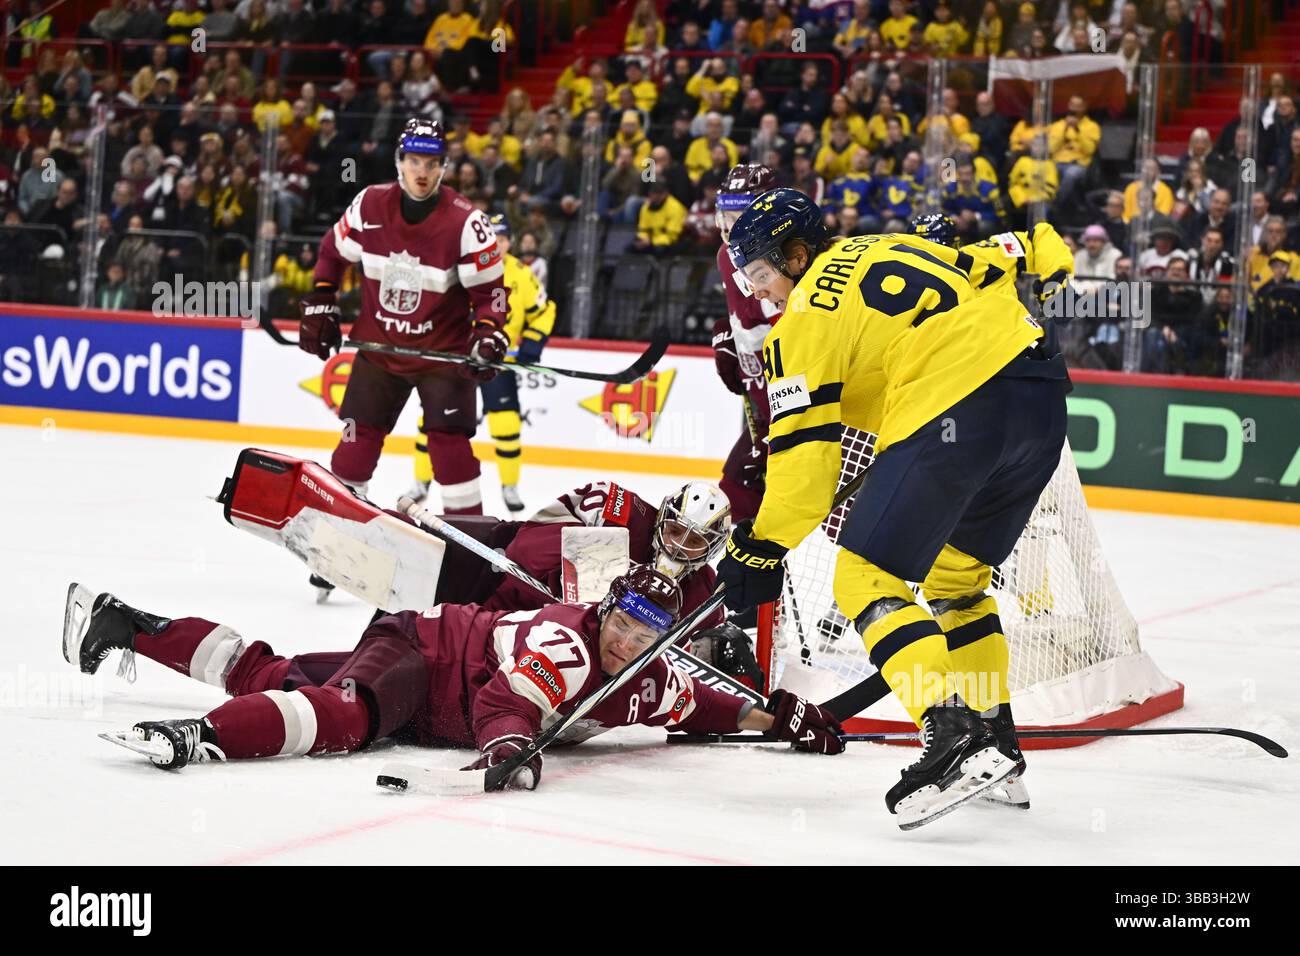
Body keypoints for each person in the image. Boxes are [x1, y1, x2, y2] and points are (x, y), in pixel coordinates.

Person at [716, 188, 1070, 829]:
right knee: (956, 583)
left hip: (959, 405)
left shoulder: (800, 326)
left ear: (797, 255)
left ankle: (953, 732)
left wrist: (757, 547)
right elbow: (1009, 253)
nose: (759, 292)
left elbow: (805, 475)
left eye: (763, 273)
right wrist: (1057, 259)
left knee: (862, 576)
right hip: (1042, 400)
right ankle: (996, 744)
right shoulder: (896, 245)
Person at [68, 568, 842, 781]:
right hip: (428, 656)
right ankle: (195, 739)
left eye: (647, 632)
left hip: (433, 681)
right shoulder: (572, 649)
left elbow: (701, 706)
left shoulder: (648, 676)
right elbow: (504, 703)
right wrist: (508, 750)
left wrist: (780, 720)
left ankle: (128, 625)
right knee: (344, 719)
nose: (628, 640)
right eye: (623, 620)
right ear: (604, 610)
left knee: (277, 678)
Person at [297, 117, 507, 532]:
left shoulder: (467, 222)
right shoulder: (369, 204)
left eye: (430, 163)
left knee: (451, 449)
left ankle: (474, 545)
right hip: (379, 348)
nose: (422, 172)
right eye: (414, 160)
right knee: (357, 441)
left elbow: (492, 295)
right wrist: (323, 295)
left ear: (444, 166)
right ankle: (337, 534)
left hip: (441, 353)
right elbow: (332, 252)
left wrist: (487, 331)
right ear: (399, 162)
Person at [408, 214, 554, 513]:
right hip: (458, 359)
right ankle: (421, 481)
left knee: (506, 424)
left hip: (498, 361)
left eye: (501, 239)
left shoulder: (522, 274)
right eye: (491, 238)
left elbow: (544, 310)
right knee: (433, 421)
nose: (496, 244)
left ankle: (509, 485)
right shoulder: (464, 267)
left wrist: (532, 342)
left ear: (509, 241)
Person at [710, 164, 780, 523]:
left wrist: (785, 423)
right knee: (735, 496)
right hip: (760, 404)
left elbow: (801, 338)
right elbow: (749, 316)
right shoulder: (728, 256)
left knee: (836, 521)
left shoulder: (784, 259)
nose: (726, 223)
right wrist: (729, 334)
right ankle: (758, 577)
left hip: (795, 410)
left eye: (738, 213)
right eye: (725, 211)